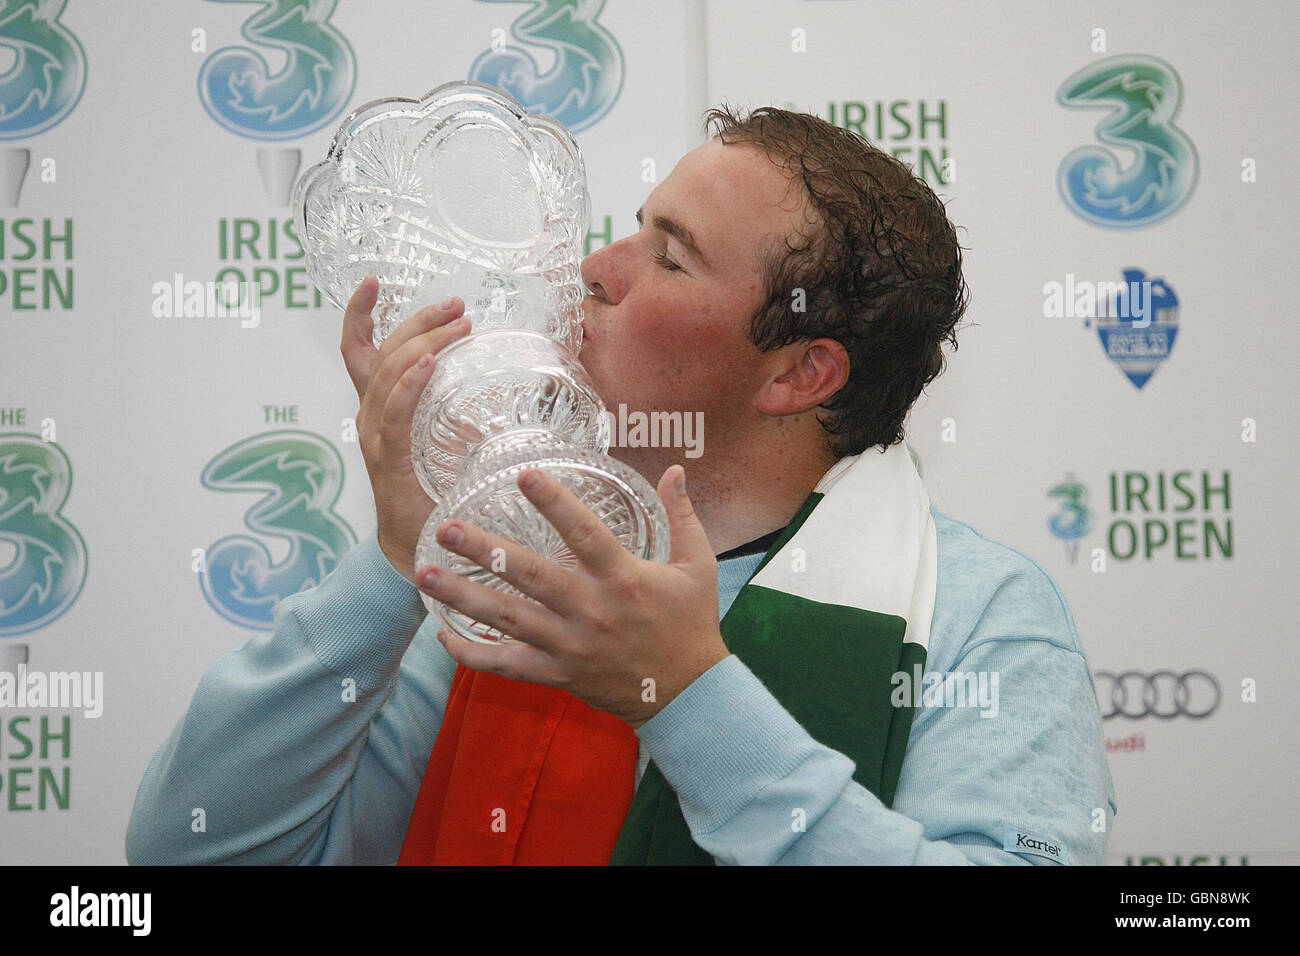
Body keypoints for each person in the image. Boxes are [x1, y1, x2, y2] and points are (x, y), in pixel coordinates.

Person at [126, 106, 1116, 865]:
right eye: (634, 228)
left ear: (796, 374)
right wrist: (399, 552)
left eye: (668, 255)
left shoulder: (982, 612)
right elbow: (192, 849)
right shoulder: (515, 569)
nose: (597, 266)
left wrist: (686, 696)